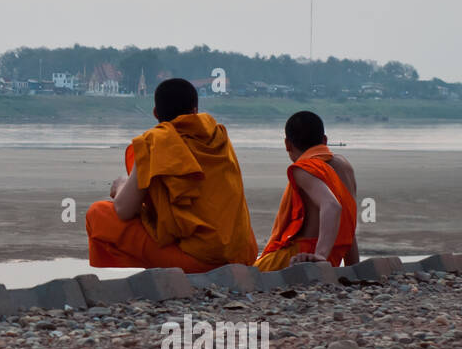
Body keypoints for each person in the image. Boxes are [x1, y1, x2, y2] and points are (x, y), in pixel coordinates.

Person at [86, 78, 257, 272]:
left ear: (155, 113)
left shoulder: (156, 141)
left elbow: (124, 210)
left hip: (198, 262)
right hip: (243, 254)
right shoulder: (219, 136)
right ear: (195, 111)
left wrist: (121, 185)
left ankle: (166, 272)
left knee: (98, 213)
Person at [254, 110, 359, 270]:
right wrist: (354, 269)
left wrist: (320, 256)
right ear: (324, 140)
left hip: (300, 256)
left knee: (249, 272)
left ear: (287, 144)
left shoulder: (303, 169)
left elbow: (332, 206)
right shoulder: (344, 167)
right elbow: (349, 225)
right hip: (332, 258)